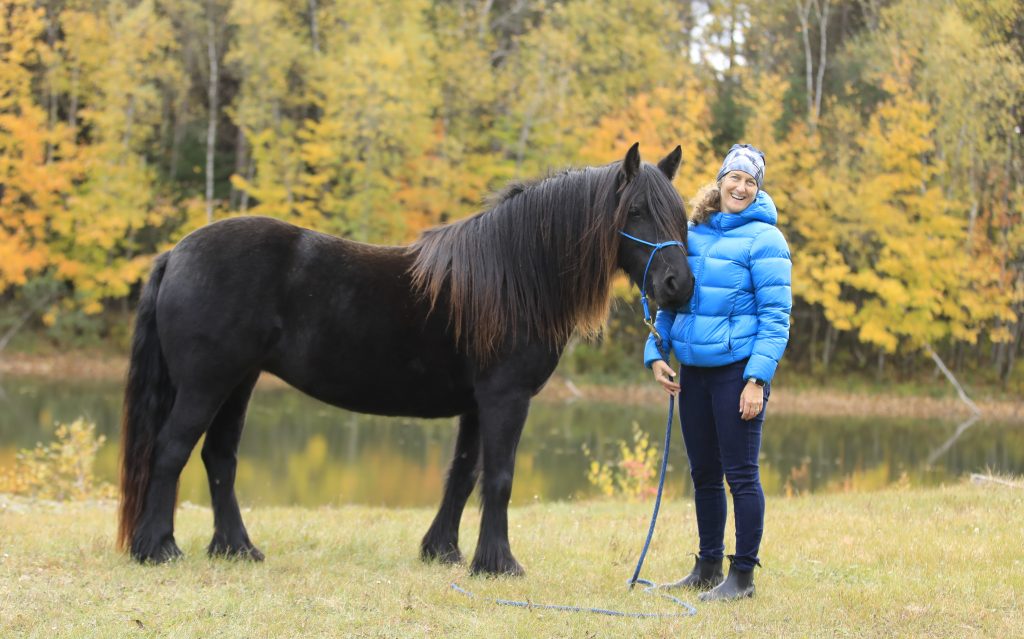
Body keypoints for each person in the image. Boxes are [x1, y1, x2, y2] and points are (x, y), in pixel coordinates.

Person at [644, 143, 792, 602]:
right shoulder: (694, 232)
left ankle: (742, 577)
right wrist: (656, 351)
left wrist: (756, 380)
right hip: (694, 374)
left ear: (757, 189)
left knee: (741, 476)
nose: (741, 187)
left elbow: (775, 319)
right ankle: (707, 566)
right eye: (735, 178)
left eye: (750, 181)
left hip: (737, 375)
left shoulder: (767, 241)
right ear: (721, 180)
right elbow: (671, 300)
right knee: (704, 474)